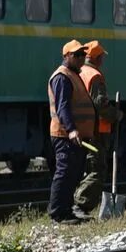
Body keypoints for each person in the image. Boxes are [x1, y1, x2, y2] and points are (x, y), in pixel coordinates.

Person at [46, 39, 93, 223]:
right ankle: (57, 213)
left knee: (74, 173)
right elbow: (62, 107)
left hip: (75, 136)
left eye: (83, 54)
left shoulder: (74, 74)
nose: (82, 58)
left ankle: (67, 211)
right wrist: (72, 130)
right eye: (77, 55)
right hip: (65, 135)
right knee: (64, 173)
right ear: (67, 56)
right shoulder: (62, 77)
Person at [74, 40, 121, 216]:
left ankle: (76, 203)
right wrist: (116, 114)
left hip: (81, 128)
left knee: (84, 167)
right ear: (97, 58)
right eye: (101, 57)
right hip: (97, 131)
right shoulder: (94, 76)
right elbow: (100, 105)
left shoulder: (79, 72)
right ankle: (81, 205)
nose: (102, 61)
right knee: (97, 169)